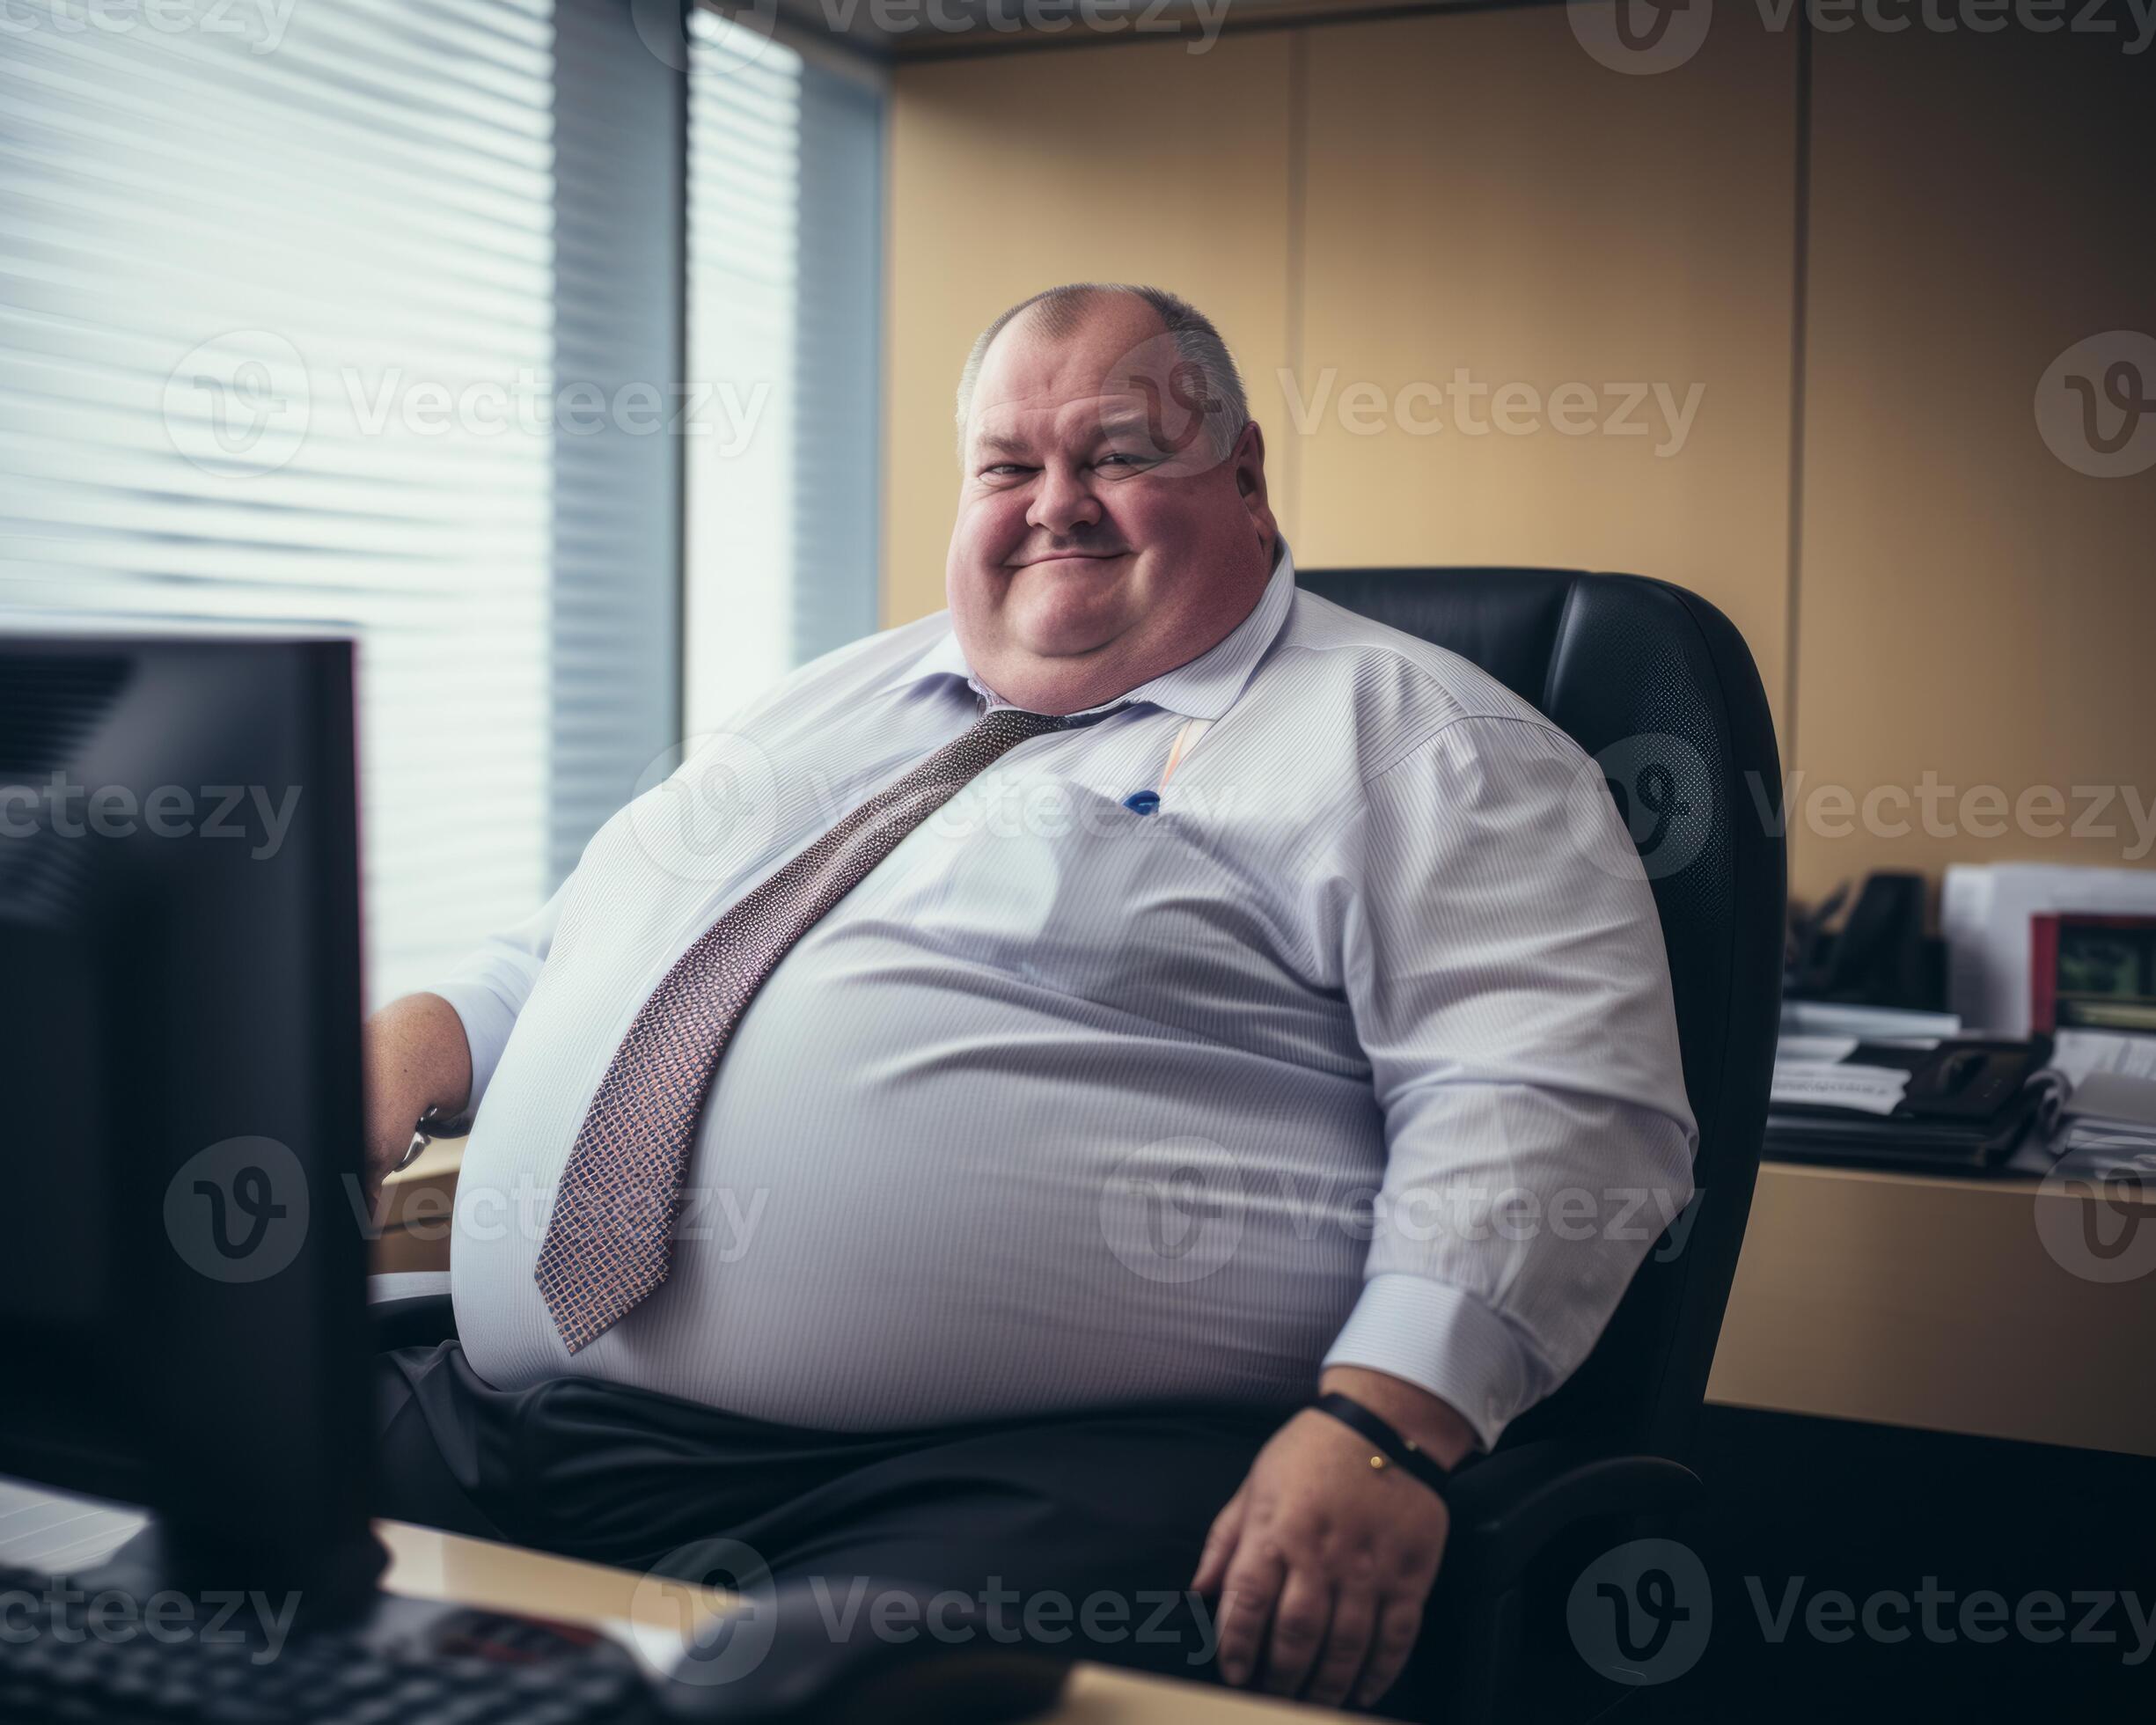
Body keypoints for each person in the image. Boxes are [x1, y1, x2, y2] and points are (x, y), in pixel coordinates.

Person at [366, 282, 1696, 1714]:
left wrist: (1384, 1423)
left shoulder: (1415, 740)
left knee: (773, 1706)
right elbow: (577, 951)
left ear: (1242, 473)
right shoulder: (828, 700)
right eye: (1009, 466)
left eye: (1116, 456)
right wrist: (404, 1041)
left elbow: (1555, 1107)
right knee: (157, 1539)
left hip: (993, 1481)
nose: (1055, 505)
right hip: (508, 1421)